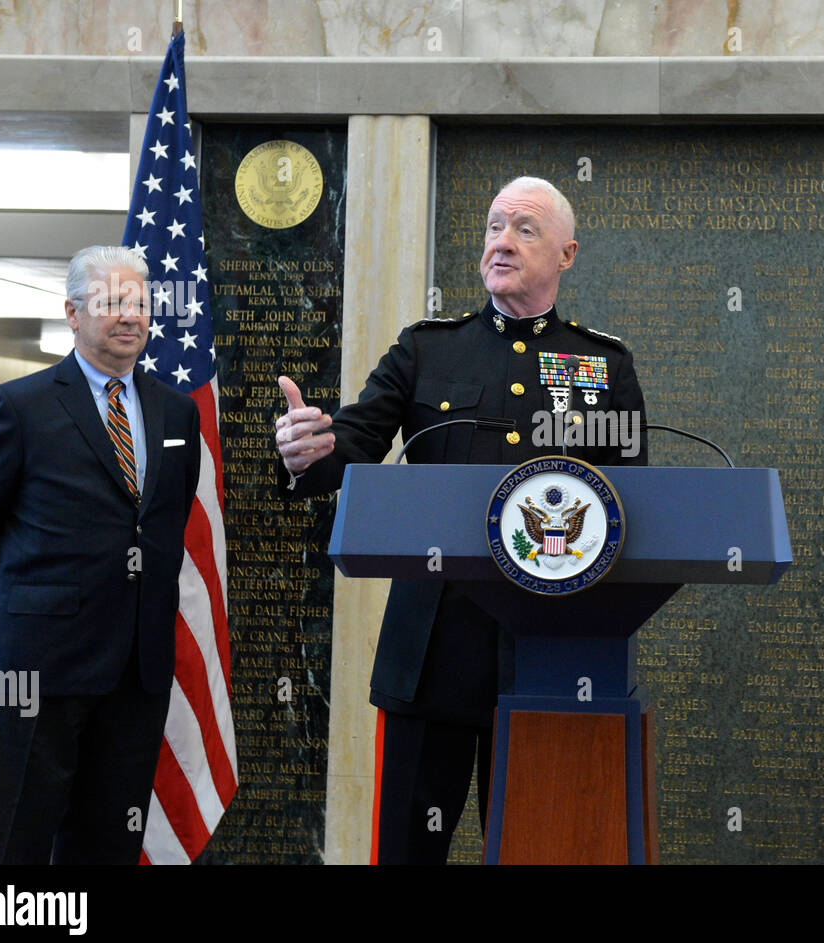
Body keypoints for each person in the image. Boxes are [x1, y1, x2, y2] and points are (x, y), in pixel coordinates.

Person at [274, 176, 648, 864]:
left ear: (566, 254)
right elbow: (353, 441)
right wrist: (309, 449)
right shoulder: (427, 349)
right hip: (433, 656)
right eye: (493, 225)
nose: (501, 241)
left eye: (524, 229)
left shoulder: (603, 363)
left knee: (544, 848)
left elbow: (631, 506)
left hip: (551, 654)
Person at [0, 245, 202, 863]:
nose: (130, 316)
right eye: (112, 302)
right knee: (12, 841)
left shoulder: (177, 412)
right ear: (72, 312)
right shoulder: (18, 406)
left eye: (140, 303)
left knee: (108, 840)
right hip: (37, 663)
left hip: (135, 669)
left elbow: (163, 526)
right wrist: (17, 604)